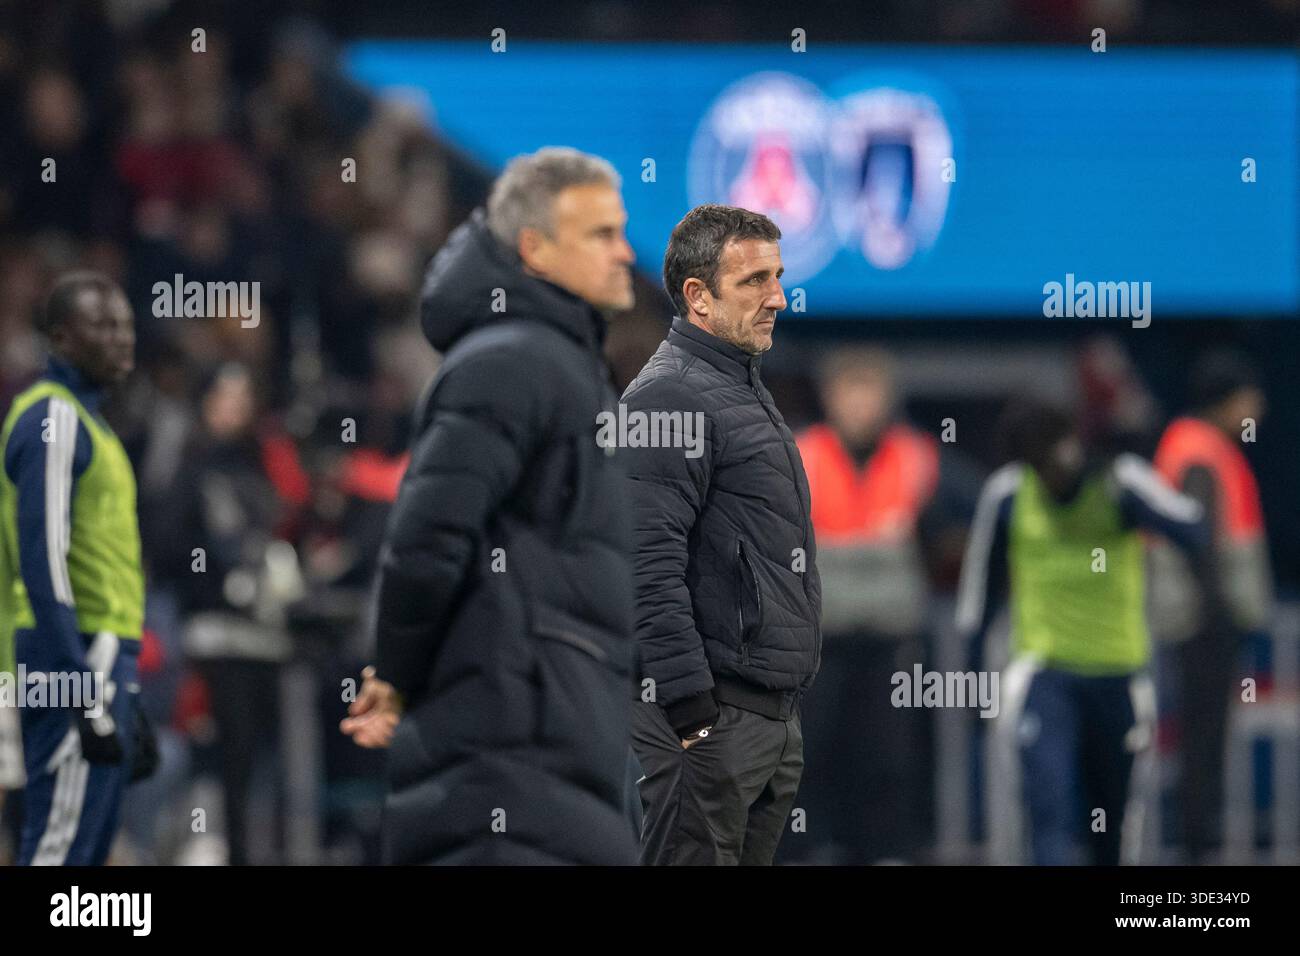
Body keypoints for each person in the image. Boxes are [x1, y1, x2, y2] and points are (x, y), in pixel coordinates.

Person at [341, 147, 640, 865]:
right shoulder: (511, 361)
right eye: (601, 235)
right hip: (507, 754)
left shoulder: (564, 364)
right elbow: (425, 538)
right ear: (534, 249)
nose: (626, 252)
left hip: (556, 745)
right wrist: (394, 671)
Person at [622, 203, 821, 866]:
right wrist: (691, 715)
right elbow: (645, 566)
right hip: (713, 724)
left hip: (761, 718)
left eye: (778, 275)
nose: (778, 297)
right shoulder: (669, 397)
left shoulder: (736, 384)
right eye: (755, 281)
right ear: (697, 297)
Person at [956, 400, 1206, 865]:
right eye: (1043, 469)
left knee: (1111, 821)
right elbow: (980, 594)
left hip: (1118, 673)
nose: (1055, 479)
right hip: (1043, 675)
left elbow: (1192, 526)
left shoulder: (1119, 481)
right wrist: (974, 679)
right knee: (1048, 805)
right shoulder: (1009, 494)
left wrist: (1135, 499)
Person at [0, 271, 153, 865]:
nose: (122, 339)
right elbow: (44, 561)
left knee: (84, 853)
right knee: (58, 849)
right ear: (61, 337)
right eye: (103, 325)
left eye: (126, 326)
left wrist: (125, 696)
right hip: (73, 652)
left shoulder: (95, 429)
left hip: (106, 653)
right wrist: (82, 689)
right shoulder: (51, 419)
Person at [1150, 350, 1273, 862]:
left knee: (1203, 739)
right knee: (1203, 741)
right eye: (1250, 400)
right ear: (1229, 401)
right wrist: (1220, 612)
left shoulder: (1203, 446)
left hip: (1203, 618)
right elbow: (1199, 542)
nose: (1258, 412)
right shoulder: (1198, 451)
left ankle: (1201, 841)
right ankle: (1201, 849)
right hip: (1202, 622)